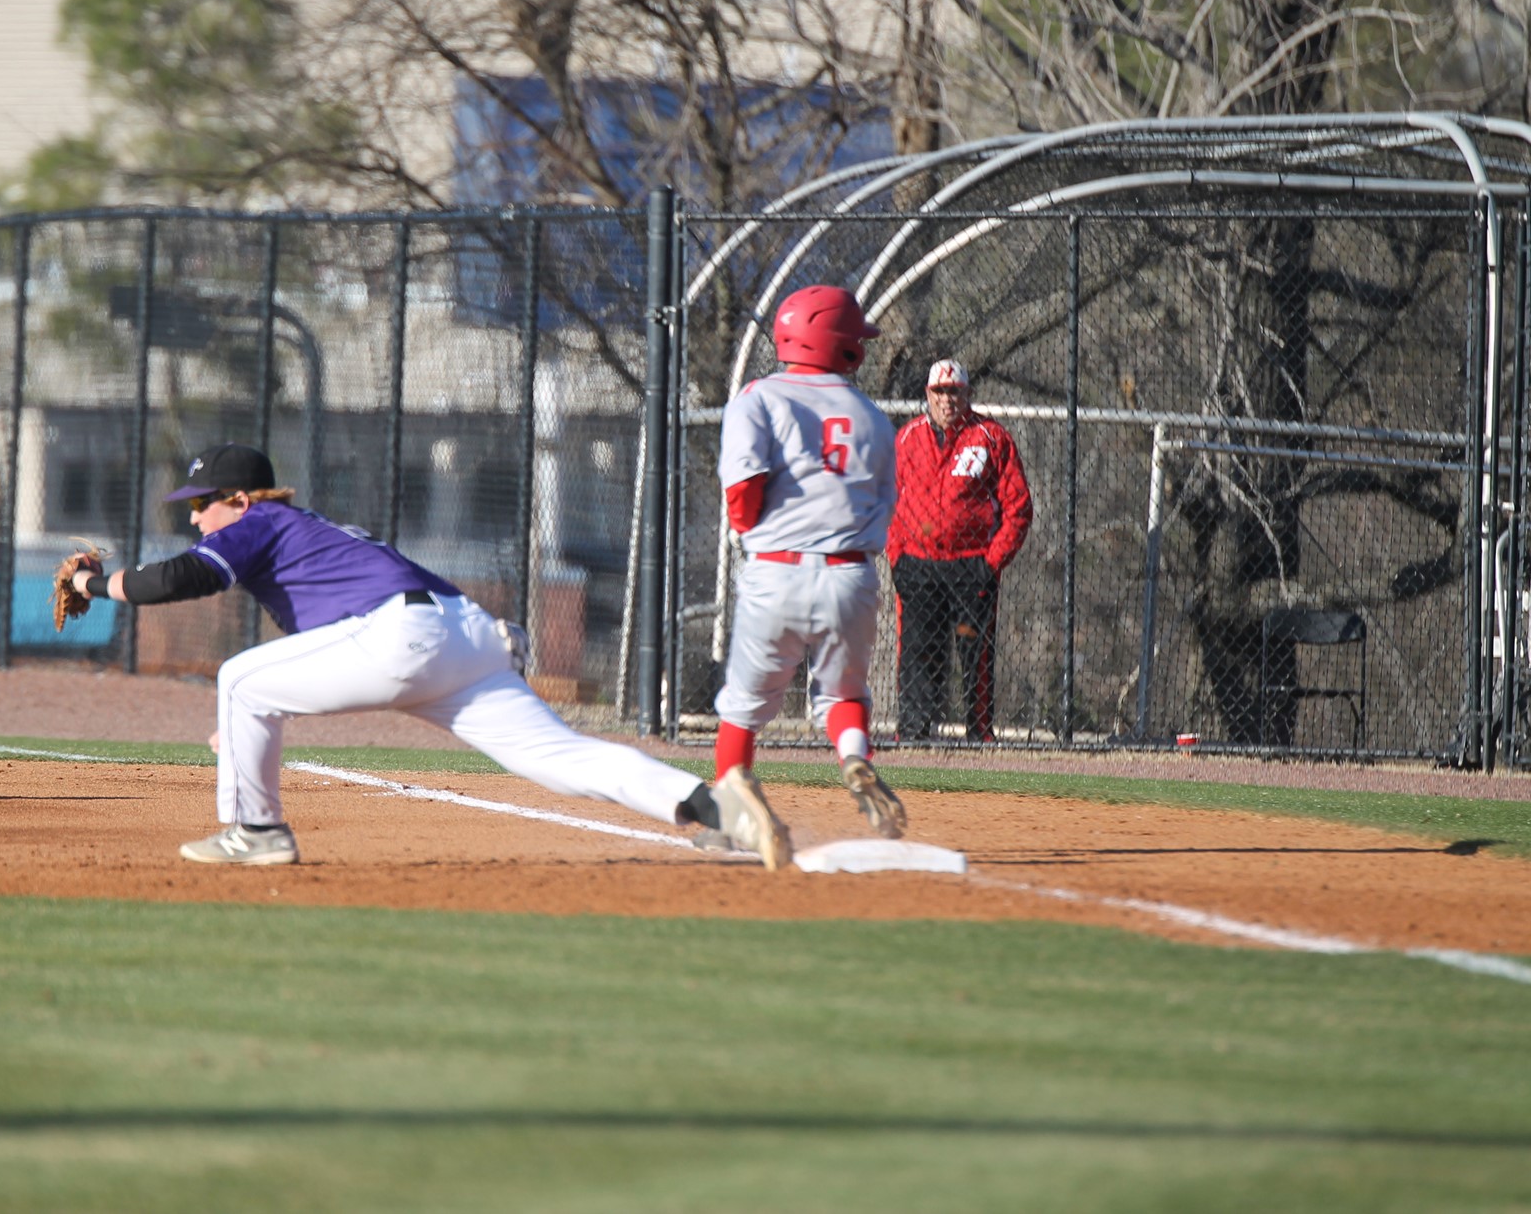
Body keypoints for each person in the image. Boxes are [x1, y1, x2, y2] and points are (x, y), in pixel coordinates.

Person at [69, 442, 793, 869]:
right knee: (562, 758)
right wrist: (241, 726)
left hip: (405, 636)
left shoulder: (260, 520)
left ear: (238, 497)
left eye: (201, 502)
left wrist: (92, 584)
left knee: (239, 676)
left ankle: (257, 833)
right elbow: (345, 623)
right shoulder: (311, 532)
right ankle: (715, 807)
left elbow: (178, 579)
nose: (195, 515)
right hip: (461, 633)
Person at [712, 285, 907, 838]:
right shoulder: (873, 417)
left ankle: (733, 816)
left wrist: (754, 527)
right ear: (844, 345)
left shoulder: (759, 397)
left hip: (777, 570)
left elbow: (743, 494)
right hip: (851, 574)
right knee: (843, 694)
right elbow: (884, 503)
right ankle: (854, 756)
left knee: (743, 706)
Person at [886, 359, 1034, 743]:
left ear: (967, 394)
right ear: (928, 394)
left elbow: (1018, 507)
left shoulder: (990, 438)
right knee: (918, 650)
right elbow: (888, 502)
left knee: (975, 653)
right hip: (918, 565)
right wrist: (897, 556)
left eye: (954, 392)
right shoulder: (907, 439)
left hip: (972, 566)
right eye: (939, 392)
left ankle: (980, 733)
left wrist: (992, 561)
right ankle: (913, 733)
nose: (947, 400)